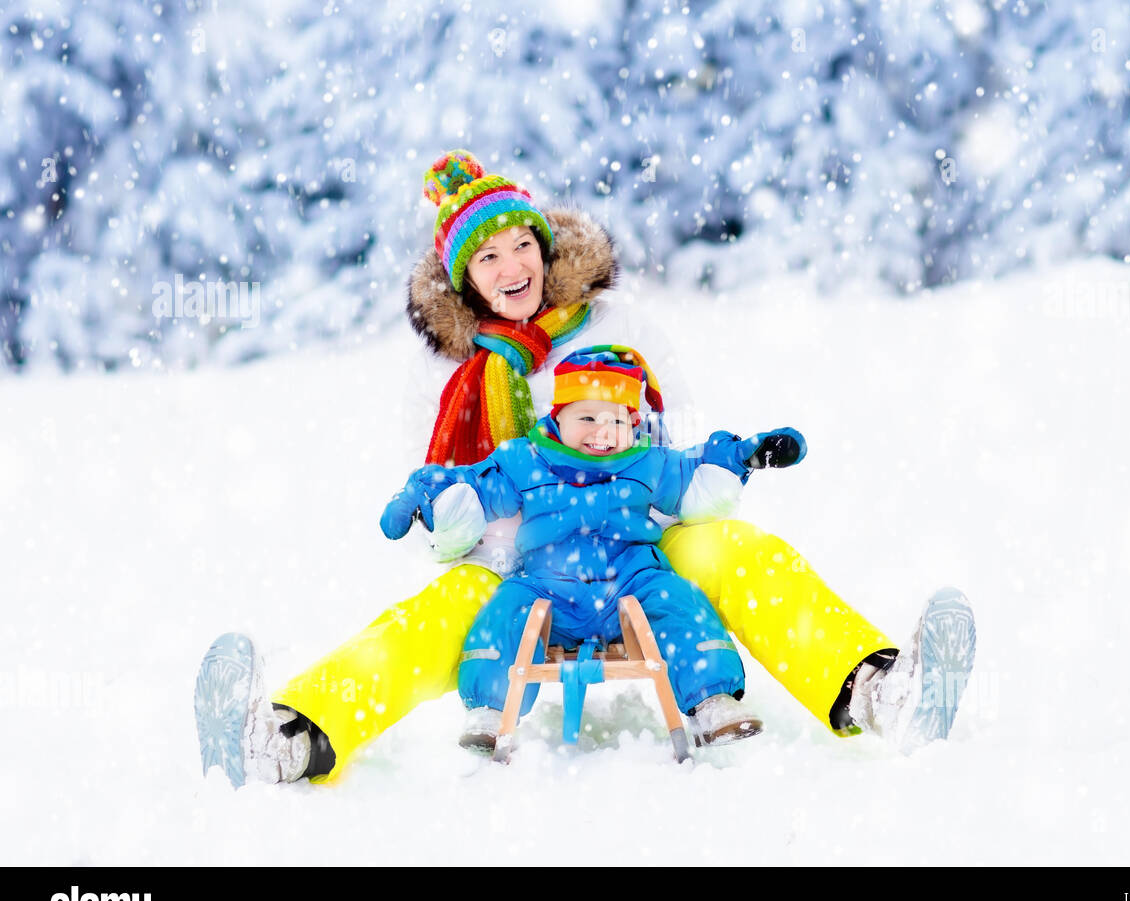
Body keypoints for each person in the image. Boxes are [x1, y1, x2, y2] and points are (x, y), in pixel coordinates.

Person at [195, 149, 972, 788]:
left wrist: (637, 502)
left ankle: (881, 693)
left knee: (742, 554)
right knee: (429, 620)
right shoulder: (449, 377)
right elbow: (436, 514)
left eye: (522, 245)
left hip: (642, 544)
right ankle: (291, 740)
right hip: (516, 564)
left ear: (545, 246)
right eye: (488, 256)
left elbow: (681, 434)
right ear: (466, 278)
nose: (512, 268)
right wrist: (515, 532)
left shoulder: (617, 329)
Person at [379, 345, 806, 749]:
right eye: (587, 418)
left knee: (678, 602)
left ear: (632, 425)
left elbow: (694, 476)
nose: (603, 432)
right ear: (558, 418)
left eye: (617, 421)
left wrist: (744, 458)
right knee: (506, 610)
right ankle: (490, 710)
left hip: (633, 578)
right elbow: (475, 485)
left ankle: (712, 700)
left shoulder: (647, 461)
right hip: (548, 585)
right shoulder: (525, 460)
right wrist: (427, 497)